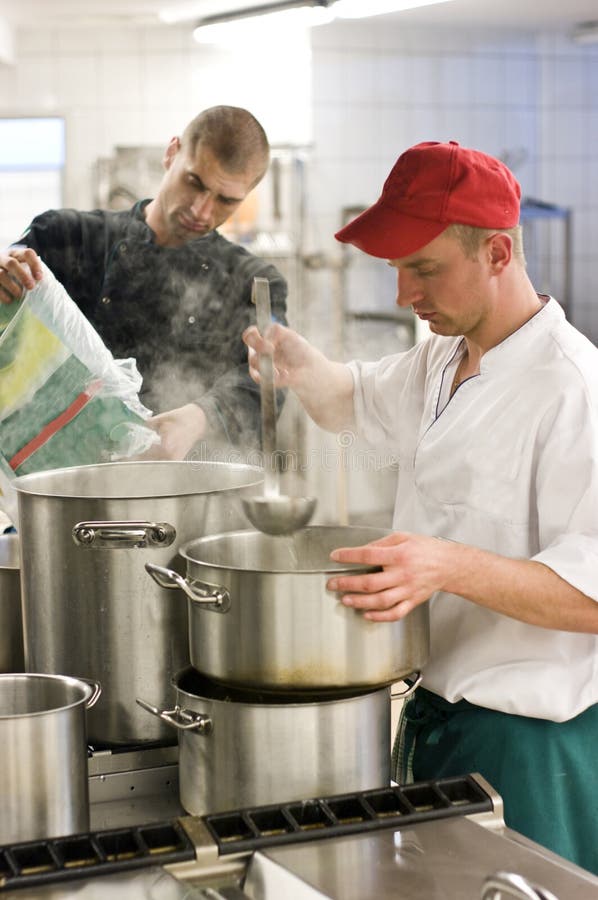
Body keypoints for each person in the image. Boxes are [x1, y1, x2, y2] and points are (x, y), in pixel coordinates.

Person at [242, 140, 598, 875]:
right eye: (397, 269)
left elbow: (592, 596)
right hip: (436, 721)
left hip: (529, 747)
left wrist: (446, 565)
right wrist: (301, 367)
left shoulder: (574, 392)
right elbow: (354, 402)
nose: (405, 294)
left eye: (424, 269)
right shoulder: (442, 357)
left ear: (498, 253)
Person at [0, 105, 287, 459]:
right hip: (59, 480)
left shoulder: (254, 282)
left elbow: (269, 381)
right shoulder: (64, 236)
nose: (201, 210)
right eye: (194, 182)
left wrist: (201, 416)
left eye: (226, 200)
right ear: (172, 153)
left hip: (181, 488)